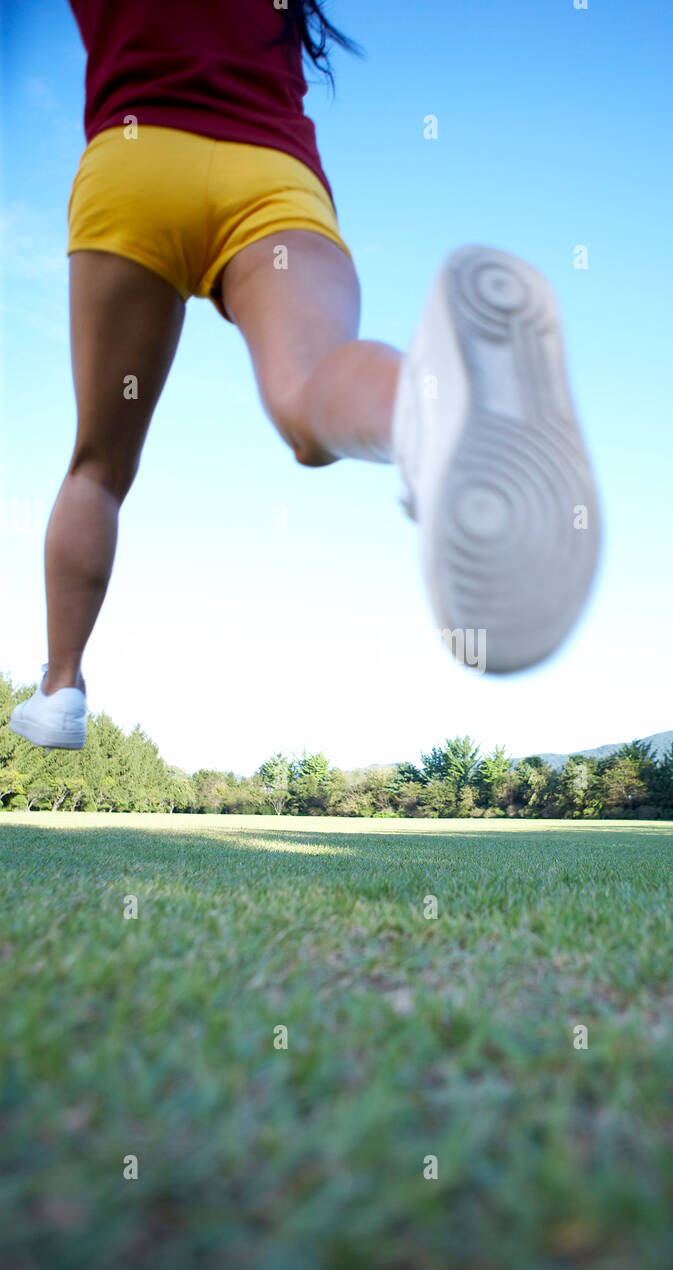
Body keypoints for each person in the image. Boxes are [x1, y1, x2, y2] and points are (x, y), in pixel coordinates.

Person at [10, 0, 600, 752]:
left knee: (99, 466)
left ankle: (62, 685)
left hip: (137, 153)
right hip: (273, 175)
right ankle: (427, 411)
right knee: (310, 387)